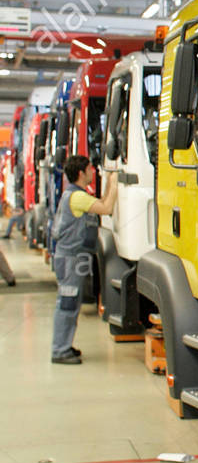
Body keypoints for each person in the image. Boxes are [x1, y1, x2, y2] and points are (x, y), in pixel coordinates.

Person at [50, 156, 117, 364]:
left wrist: (108, 184)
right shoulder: (76, 197)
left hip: (72, 258)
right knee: (68, 304)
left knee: (71, 303)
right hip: (71, 260)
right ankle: (60, 350)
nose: (92, 172)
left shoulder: (76, 194)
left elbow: (102, 203)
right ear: (81, 173)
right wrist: (114, 183)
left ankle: (65, 346)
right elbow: (106, 209)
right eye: (89, 169)